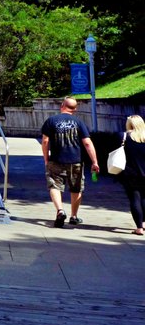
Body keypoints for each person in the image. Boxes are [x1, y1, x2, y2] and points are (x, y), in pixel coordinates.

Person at [41, 96, 100, 227]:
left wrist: (46, 158)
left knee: (54, 186)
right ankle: (74, 216)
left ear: (62, 105)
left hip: (56, 159)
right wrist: (94, 161)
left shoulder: (51, 121)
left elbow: (45, 141)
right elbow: (87, 143)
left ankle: (60, 210)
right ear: (75, 109)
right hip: (76, 160)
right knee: (76, 188)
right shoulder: (79, 122)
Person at [116, 115, 145, 236]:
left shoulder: (123, 136)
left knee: (135, 198)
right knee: (144, 198)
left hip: (131, 173)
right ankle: (144, 223)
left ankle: (139, 227)